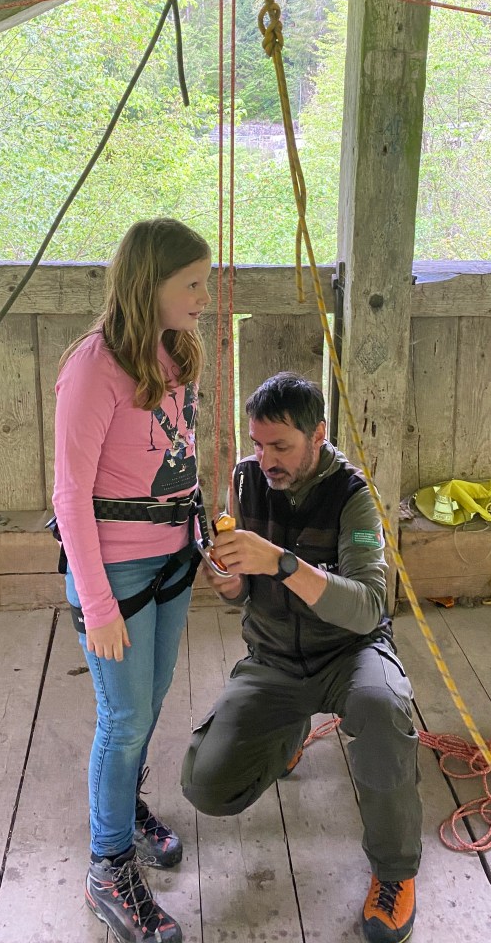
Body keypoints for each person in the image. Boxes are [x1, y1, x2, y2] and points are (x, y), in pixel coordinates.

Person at [181, 372, 422, 943]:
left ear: (318, 435)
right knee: (207, 788)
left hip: (349, 653)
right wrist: (230, 580)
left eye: (281, 446)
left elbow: (367, 609)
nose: (266, 459)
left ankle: (395, 874)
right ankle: (286, 735)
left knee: (383, 711)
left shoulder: (354, 496)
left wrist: (282, 563)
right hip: (273, 661)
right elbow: (240, 588)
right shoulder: (246, 479)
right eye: (258, 443)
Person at [52, 217, 212, 943]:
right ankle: (107, 865)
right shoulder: (93, 367)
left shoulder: (171, 353)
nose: (205, 298)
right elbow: (69, 495)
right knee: (122, 721)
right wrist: (97, 602)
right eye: (193, 284)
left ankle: (126, 811)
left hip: (172, 556)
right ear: (152, 285)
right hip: (115, 570)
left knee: (145, 708)